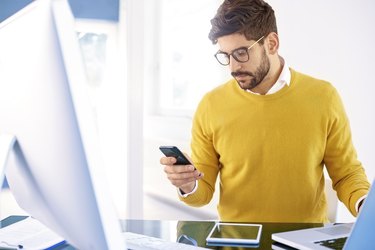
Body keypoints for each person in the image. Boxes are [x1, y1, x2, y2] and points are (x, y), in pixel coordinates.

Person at [160, 0, 370, 223]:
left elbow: (347, 174)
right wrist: (188, 185)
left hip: (303, 241)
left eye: (241, 53)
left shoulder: (324, 97)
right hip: (236, 242)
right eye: (226, 55)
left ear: (271, 43)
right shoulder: (211, 105)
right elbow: (203, 192)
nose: (233, 67)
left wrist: (367, 207)